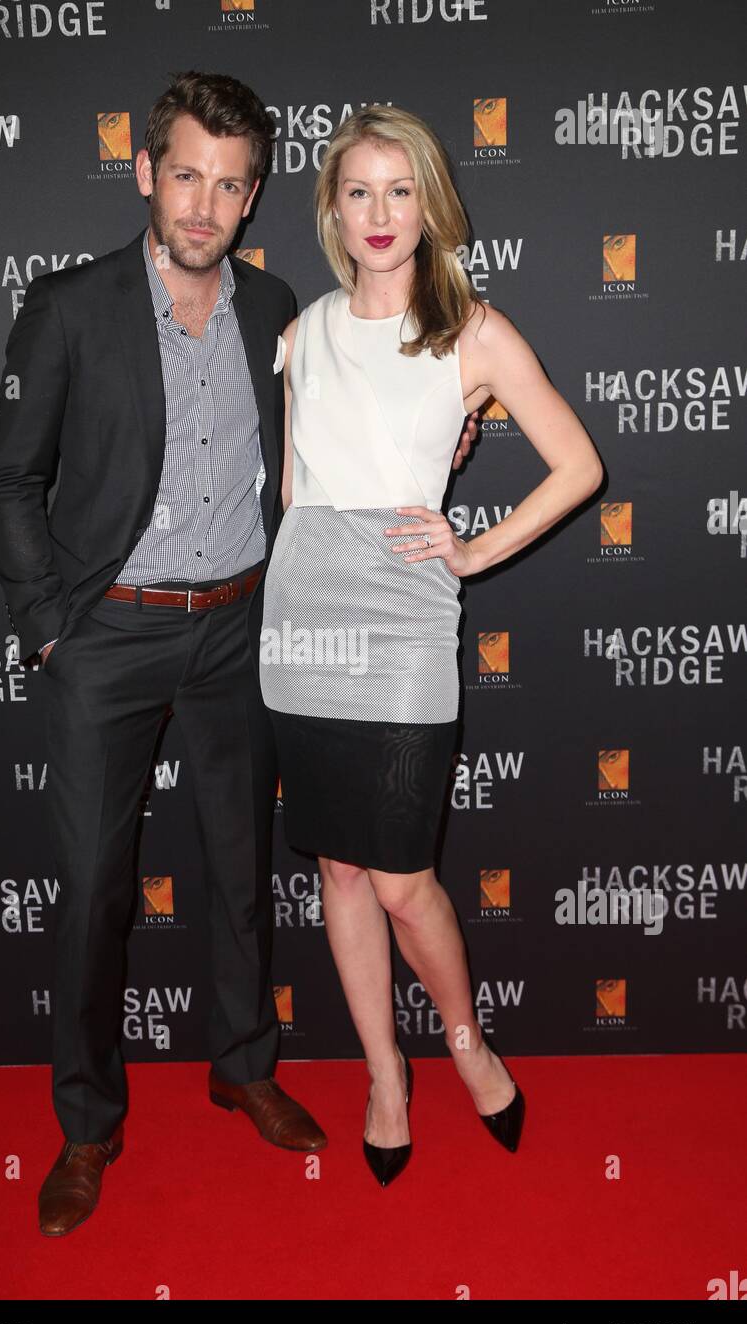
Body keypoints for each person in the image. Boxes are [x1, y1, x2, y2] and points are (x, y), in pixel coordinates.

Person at [0, 73, 478, 1238]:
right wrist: (49, 626)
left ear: (253, 199)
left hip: (245, 625)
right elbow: (8, 479)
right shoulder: (66, 308)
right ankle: (88, 1124)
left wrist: (447, 420)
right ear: (147, 172)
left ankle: (242, 1063)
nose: (206, 205)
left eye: (231, 184)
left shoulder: (275, 313)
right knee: (93, 892)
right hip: (106, 629)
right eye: (188, 174)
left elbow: (357, 420)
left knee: (239, 864)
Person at [259, 106, 604, 1186]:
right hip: (301, 618)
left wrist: (471, 550)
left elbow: (577, 465)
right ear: (331, 208)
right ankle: (381, 1073)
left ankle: (464, 1041)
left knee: (404, 878)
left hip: (405, 618)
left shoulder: (475, 331)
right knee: (341, 871)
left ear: (429, 205)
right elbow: (292, 489)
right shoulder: (301, 330)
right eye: (356, 191)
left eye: (397, 190)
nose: (377, 213)